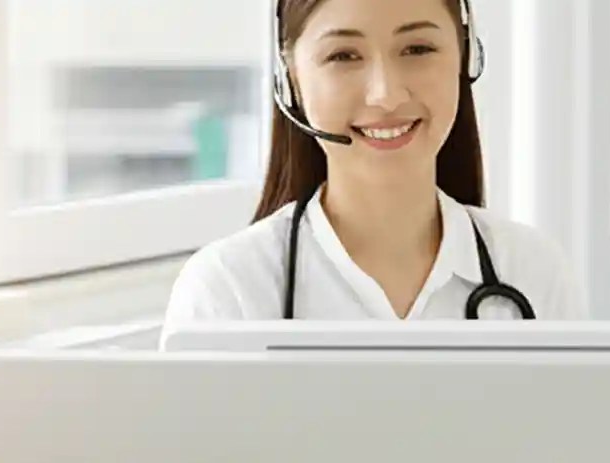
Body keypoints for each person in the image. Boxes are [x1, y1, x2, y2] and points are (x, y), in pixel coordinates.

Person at [162, 0, 587, 333]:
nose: (385, 95)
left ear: (463, 57)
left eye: (417, 49)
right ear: (289, 79)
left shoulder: (533, 272)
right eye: (344, 55)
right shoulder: (228, 290)